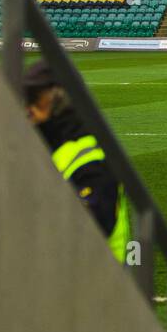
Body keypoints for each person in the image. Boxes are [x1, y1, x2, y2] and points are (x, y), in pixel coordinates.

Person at [22, 60, 130, 263]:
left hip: (98, 283)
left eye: (36, 99)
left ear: (59, 99)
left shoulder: (91, 158)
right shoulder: (48, 146)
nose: (28, 108)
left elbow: (86, 231)